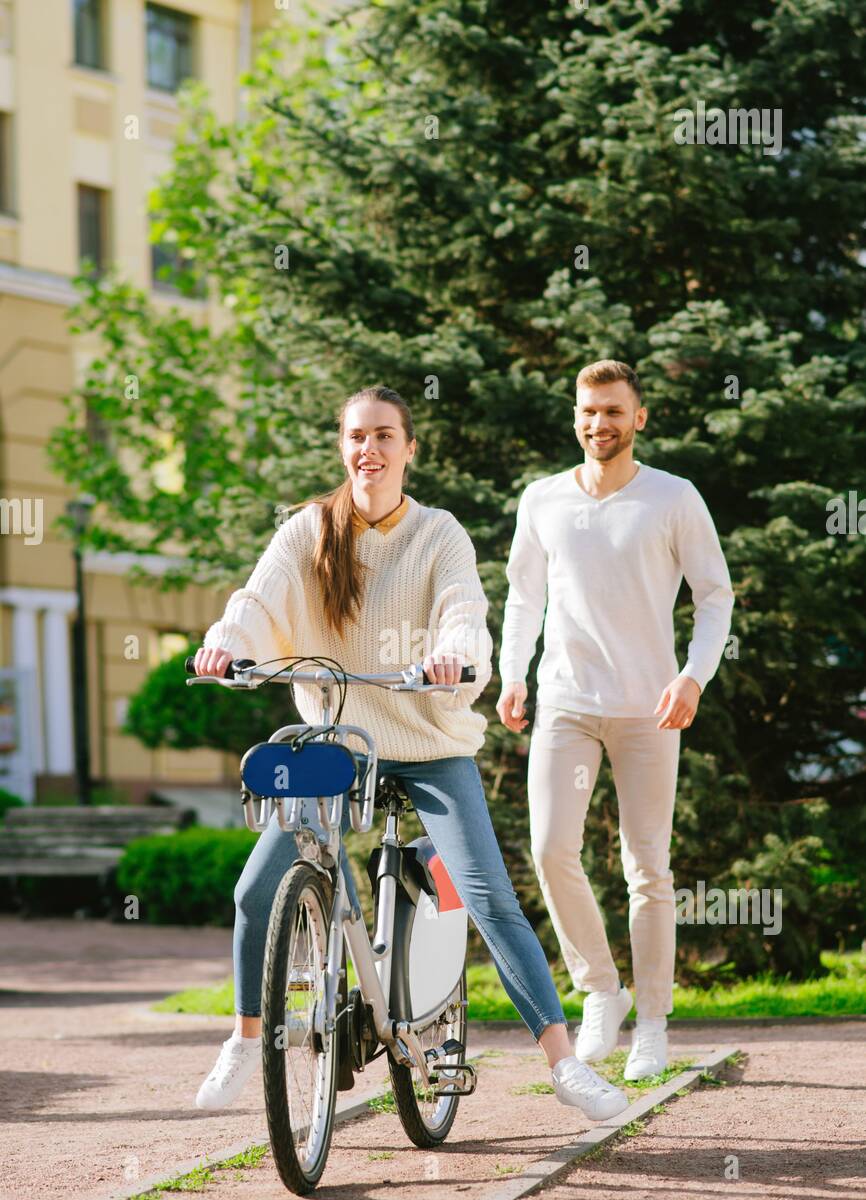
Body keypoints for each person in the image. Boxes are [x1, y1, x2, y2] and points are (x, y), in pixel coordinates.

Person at [192, 384, 629, 1121]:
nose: (370, 449)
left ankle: (563, 1062)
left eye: (386, 435)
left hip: (427, 745)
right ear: (342, 445)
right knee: (254, 889)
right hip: (335, 741)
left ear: (409, 448)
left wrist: (455, 655)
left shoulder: (439, 534)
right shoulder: (307, 532)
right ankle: (245, 1038)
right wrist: (226, 644)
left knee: (488, 894)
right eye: (357, 436)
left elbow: (464, 607)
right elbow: (258, 601)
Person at [497, 360, 735, 1080]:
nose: (597, 423)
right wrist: (513, 674)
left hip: (648, 711)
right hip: (567, 704)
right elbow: (522, 598)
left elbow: (714, 595)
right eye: (586, 411)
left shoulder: (674, 498)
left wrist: (694, 676)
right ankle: (601, 990)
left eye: (611, 411)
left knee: (648, 868)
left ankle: (654, 1026)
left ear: (639, 418)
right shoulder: (542, 500)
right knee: (549, 848)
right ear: (575, 416)